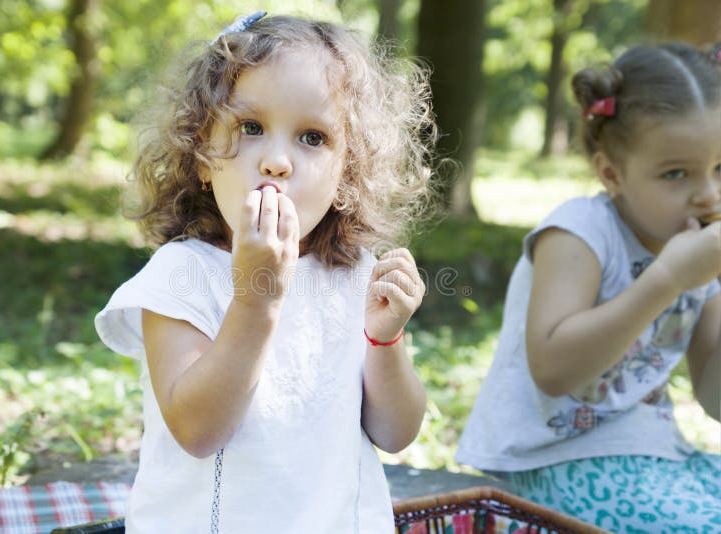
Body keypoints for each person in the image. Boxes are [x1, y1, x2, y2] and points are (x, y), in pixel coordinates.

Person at [95, 12, 436, 533]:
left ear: (348, 173)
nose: (277, 160)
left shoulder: (353, 274)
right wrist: (256, 300)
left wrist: (384, 341)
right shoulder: (181, 275)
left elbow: (396, 433)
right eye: (251, 128)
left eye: (312, 137)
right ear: (203, 156)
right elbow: (198, 428)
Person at [456, 42, 721, 532]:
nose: (708, 193)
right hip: (552, 460)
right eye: (676, 173)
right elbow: (553, 370)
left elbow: (713, 395)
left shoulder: (698, 251)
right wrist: (667, 280)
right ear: (611, 173)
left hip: (654, 452)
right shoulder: (579, 233)